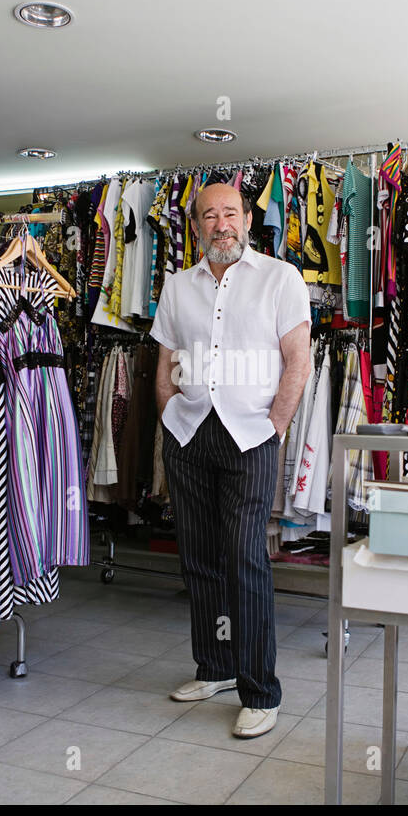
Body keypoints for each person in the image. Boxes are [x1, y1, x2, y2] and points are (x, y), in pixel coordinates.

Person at [149, 180, 311, 738]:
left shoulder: (280, 278)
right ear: (196, 225)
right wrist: (170, 413)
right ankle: (214, 666)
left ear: (247, 218)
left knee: (245, 559)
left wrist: (276, 426)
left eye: (231, 213)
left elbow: (298, 361)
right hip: (189, 433)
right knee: (198, 555)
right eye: (209, 215)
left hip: (251, 436)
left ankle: (260, 690)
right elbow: (166, 359)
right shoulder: (177, 286)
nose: (222, 223)